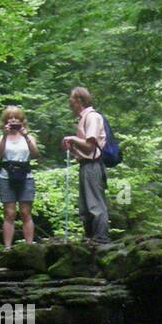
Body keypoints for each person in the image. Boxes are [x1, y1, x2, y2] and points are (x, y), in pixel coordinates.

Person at [61, 86, 109, 243]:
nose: (69, 101)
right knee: (86, 205)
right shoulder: (83, 118)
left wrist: (73, 139)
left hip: (93, 165)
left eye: (71, 98)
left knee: (94, 203)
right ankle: (90, 238)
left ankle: (100, 239)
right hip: (86, 165)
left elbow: (90, 145)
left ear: (79, 100)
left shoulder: (92, 117)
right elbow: (87, 147)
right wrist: (73, 146)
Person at [0, 106, 39, 249]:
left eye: (16, 117)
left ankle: (29, 245)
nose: (13, 120)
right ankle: (7, 247)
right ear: (5, 120)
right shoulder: (0, 137)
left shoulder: (29, 137)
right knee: (9, 213)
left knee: (25, 212)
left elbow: (36, 154)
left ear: (21, 120)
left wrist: (25, 136)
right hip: (6, 176)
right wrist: (5, 135)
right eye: (10, 117)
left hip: (26, 176)